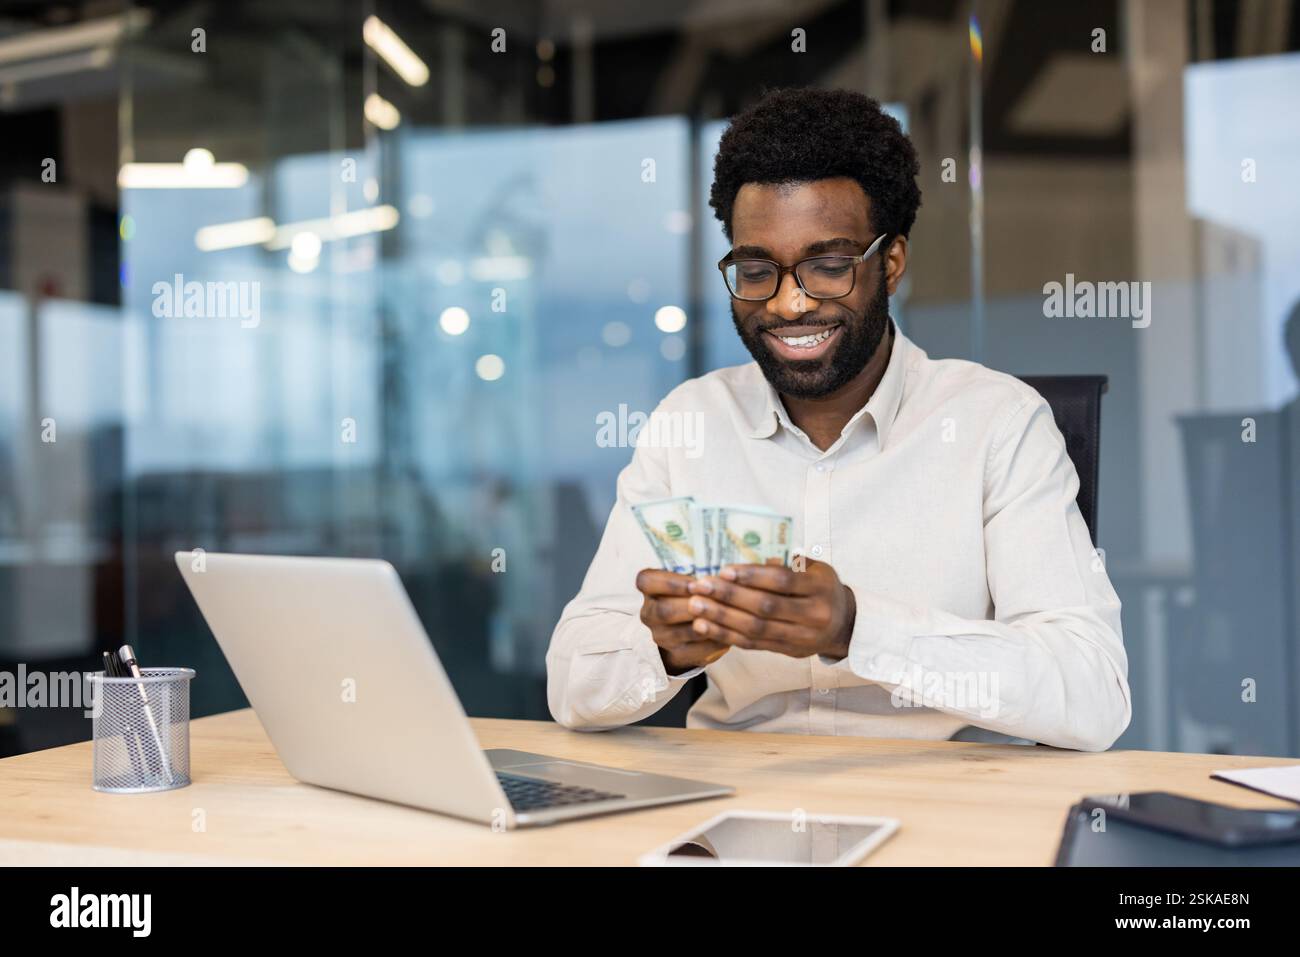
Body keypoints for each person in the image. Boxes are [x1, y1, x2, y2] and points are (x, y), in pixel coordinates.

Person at [546, 87, 1130, 751]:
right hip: (733, 810)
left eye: (828, 266)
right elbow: (572, 687)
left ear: (891, 262)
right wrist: (664, 650)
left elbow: (1093, 692)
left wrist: (856, 628)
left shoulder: (997, 422)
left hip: (948, 814)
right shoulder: (691, 423)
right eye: (758, 268)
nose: (791, 302)